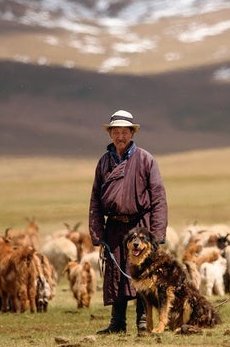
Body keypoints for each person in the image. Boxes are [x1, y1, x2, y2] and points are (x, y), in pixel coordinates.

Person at [88, 109, 168, 334]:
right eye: (116, 132)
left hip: (140, 225)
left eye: (124, 132)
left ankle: (143, 320)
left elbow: (158, 198)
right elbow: (95, 199)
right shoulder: (104, 162)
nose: (120, 136)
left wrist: (157, 234)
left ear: (132, 133)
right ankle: (117, 323)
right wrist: (97, 232)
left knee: (143, 272)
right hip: (114, 227)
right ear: (110, 134)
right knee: (115, 273)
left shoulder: (145, 159)